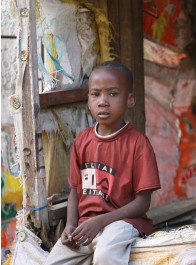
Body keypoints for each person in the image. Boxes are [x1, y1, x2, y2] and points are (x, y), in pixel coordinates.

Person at [45, 61, 161, 265]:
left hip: (123, 223)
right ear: (88, 99)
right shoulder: (82, 140)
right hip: (85, 227)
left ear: (130, 99)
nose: (103, 101)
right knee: (54, 261)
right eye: (96, 94)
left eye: (113, 94)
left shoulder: (138, 144)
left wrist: (100, 222)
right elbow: (75, 190)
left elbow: (143, 202)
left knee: (105, 255)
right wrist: (70, 225)